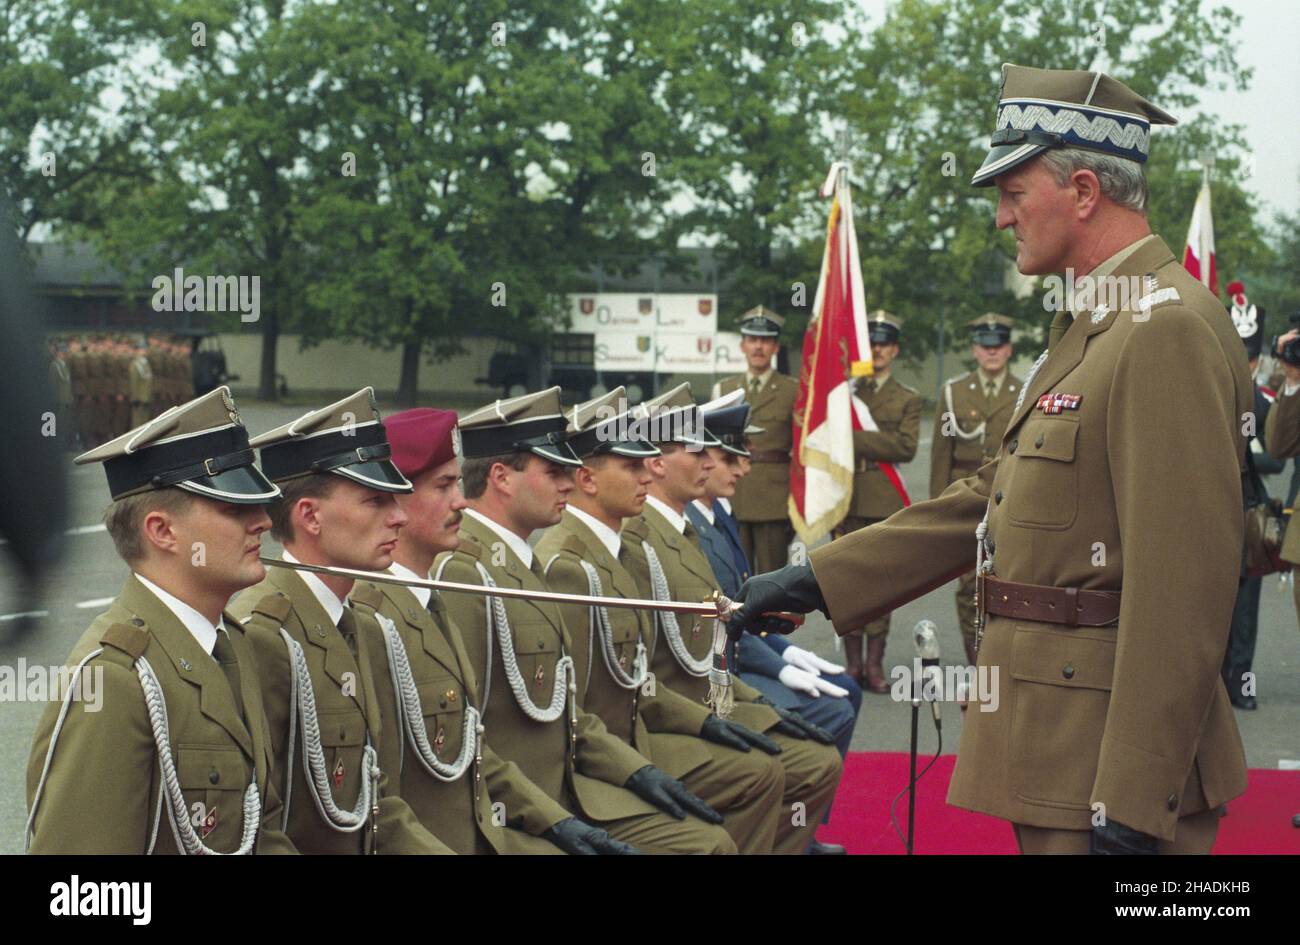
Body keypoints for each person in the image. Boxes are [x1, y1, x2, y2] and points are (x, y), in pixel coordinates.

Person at [731, 64, 1252, 855]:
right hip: (1059, 742)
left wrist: (1137, 797)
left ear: (1083, 190)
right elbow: (990, 495)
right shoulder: (1096, 323)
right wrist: (816, 578)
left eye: (1013, 193)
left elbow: (1182, 591)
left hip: (1104, 768)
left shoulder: (1162, 329)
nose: (1001, 219)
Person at [436, 386, 732, 854]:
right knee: (706, 842)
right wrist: (553, 819)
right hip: (518, 804)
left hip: (567, 781)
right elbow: (470, 733)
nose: (569, 484)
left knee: (712, 834)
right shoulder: (467, 574)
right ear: (501, 477)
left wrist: (639, 771)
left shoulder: (518, 563)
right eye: (553, 472)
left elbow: (568, 707)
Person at [26, 387, 296, 853]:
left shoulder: (231, 644)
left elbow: (259, 834)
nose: (264, 522)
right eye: (235, 508)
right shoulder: (116, 680)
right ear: (162, 531)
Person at [536, 387, 786, 854]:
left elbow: (638, 677)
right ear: (587, 479)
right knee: (721, 829)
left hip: (642, 731)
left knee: (770, 767)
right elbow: (577, 703)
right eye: (632, 466)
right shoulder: (570, 565)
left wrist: (719, 719)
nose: (646, 474)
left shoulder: (622, 549)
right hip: (600, 760)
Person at [348, 406, 589, 854]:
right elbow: (382, 793)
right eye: (443, 486)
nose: (460, 500)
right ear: (393, 497)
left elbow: (473, 748)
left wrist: (556, 823)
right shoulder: (374, 619)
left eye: (458, 483)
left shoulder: (430, 601)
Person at [619, 382, 844, 854]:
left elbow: (709, 635)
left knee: (818, 757)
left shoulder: (680, 531)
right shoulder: (640, 540)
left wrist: (763, 701)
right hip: (667, 717)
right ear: (658, 462)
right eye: (697, 451)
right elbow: (648, 670)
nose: (710, 462)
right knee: (771, 769)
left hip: (708, 694)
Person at [231, 388, 450, 854]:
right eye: (376, 501)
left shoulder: (362, 627)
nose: (398, 517)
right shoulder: (264, 634)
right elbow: (261, 825)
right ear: (310, 516)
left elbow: (378, 802)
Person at [930, 314, 1022, 670]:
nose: (992, 353)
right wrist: (941, 509)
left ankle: (999, 660)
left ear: (1009, 349)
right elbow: (942, 456)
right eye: (985, 347)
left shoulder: (1025, 390)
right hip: (967, 501)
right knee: (969, 585)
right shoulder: (954, 392)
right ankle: (975, 663)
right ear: (975, 351)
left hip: (1009, 498)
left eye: (998, 346)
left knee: (1006, 579)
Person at [838, 310, 922, 693]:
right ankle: (852, 663)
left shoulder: (906, 398)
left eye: (884, 344)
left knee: (881, 583)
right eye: (871, 344)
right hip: (846, 495)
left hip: (883, 498)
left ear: (895, 350)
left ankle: (875, 664)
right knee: (847, 581)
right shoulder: (845, 395)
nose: (877, 350)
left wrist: (854, 438)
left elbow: (904, 448)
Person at [1223, 285, 1282, 710]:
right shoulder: (1206, 394)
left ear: (1258, 360)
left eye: (1249, 357)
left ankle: (1240, 682)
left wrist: (1240, 453)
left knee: (1245, 607)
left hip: (1246, 512)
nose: (1244, 364)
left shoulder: (1263, 405)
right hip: (1208, 510)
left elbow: (1277, 458)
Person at [711, 306, 798, 575]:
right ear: (742, 345)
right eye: (752, 340)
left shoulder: (793, 390)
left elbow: (802, 450)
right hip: (732, 493)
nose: (758, 347)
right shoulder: (724, 390)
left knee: (772, 578)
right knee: (734, 573)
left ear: (776, 348)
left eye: (766, 341)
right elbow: (712, 445)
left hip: (774, 496)